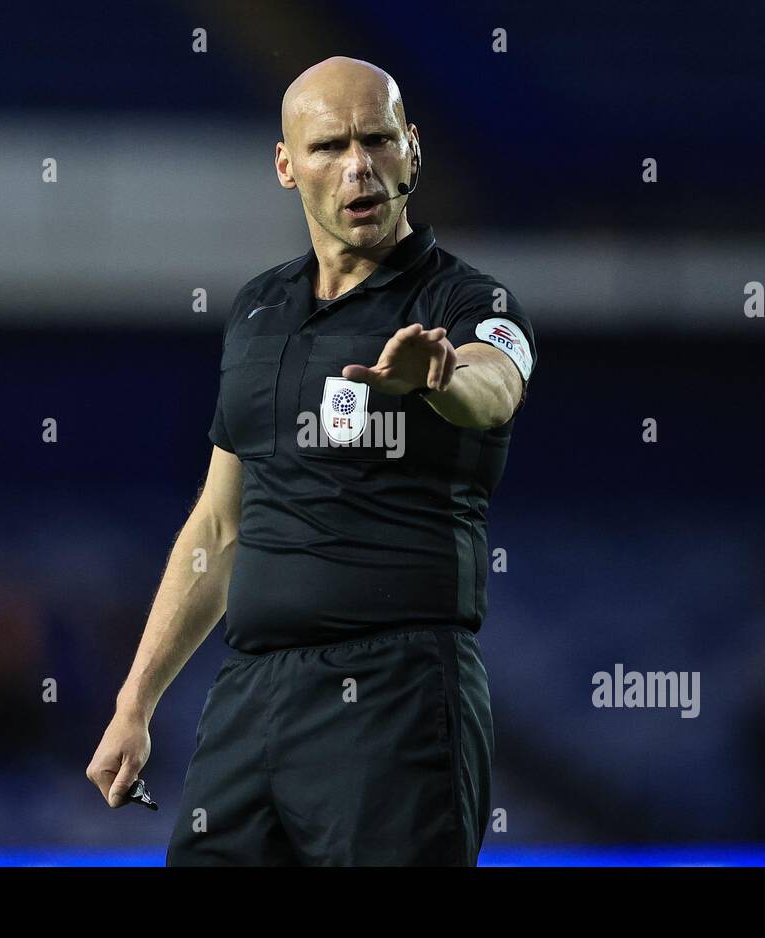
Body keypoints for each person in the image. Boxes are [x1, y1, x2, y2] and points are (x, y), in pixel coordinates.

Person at [87, 56, 537, 865]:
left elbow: (496, 386)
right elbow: (219, 525)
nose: (360, 165)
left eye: (379, 140)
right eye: (330, 146)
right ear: (286, 166)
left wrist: (439, 379)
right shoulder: (257, 311)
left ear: (413, 148)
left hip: (398, 694)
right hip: (249, 699)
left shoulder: (469, 302)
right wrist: (136, 701)